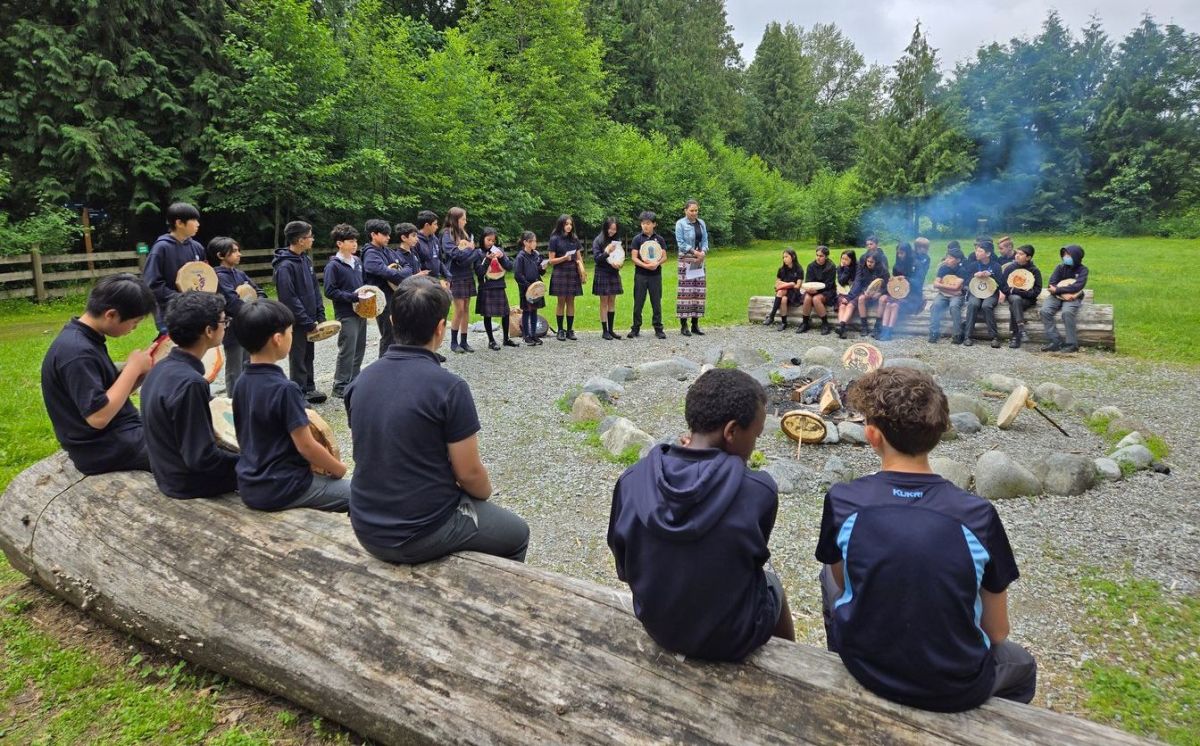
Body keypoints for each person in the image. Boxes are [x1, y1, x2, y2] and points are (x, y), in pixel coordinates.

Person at [815, 367, 1037, 711]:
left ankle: (840, 650)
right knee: (1023, 666)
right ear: (939, 431)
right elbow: (996, 632)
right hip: (954, 686)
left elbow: (844, 582)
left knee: (828, 573)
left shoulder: (844, 500)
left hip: (865, 667)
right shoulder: (978, 517)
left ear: (872, 436)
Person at [608, 368, 795, 661]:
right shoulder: (760, 491)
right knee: (773, 583)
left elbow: (624, 570)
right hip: (732, 639)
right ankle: (790, 660)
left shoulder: (632, 479)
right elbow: (752, 564)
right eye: (756, 435)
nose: (755, 444)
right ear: (731, 431)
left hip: (658, 627)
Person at [347, 276, 530, 564]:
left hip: (366, 525)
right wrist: (484, 494)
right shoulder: (449, 388)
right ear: (441, 328)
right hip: (419, 531)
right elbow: (469, 474)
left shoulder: (360, 381)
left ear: (392, 321)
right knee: (517, 534)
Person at [231, 299, 350, 512]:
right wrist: (338, 468)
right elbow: (306, 446)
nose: (292, 336)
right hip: (284, 488)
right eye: (290, 332)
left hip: (250, 484)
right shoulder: (285, 389)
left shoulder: (241, 383)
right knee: (363, 494)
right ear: (277, 339)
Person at [41, 273, 156, 475]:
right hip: (104, 449)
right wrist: (132, 368)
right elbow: (98, 417)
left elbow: (108, 394)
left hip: (118, 436)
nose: (134, 328)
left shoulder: (86, 337)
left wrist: (142, 374)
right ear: (111, 315)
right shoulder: (77, 353)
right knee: (195, 454)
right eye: (134, 322)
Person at [140, 291, 239, 498]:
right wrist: (252, 461)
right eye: (224, 321)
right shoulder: (191, 383)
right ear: (209, 331)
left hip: (167, 474)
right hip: (187, 483)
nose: (226, 326)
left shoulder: (161, 367)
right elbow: (202, 458)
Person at [272, 220, 327, 402]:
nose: (313, 239)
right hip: (296, 321)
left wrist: (320, 313)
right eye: (310, 236)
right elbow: (289, 298)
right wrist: (305, 320)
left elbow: (314, 288)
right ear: (300, 240)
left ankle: (309, 388)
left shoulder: (305, 259)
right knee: (298, 356)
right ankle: (298, 393)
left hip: (309, 319)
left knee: (309, 355)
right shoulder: (285, 266)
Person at [208, 236, 265, 394]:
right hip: (232, 328)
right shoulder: (218, 276)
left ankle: (247, 396)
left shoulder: (240, 274)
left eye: (238, 250)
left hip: (247, 324)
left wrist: (257, 303)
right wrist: (254, 309)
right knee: (235, 368)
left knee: (249, 363)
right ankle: (234, 401)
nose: (239, 254)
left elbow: (260, 292)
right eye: (234, 251)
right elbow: (232, 302)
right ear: (220, 255)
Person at [143, 202, 205, 332]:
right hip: (169, 313)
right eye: (193, 220)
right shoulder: (161, 248)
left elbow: (205, 277)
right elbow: (153, 284)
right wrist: (182, 298)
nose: (198, 224)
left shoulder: (197, 247)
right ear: (179, 223)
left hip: (194, 310)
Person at [323, 223, 368, 398]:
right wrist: (353, 297)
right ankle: (340, 385)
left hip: (362, 311)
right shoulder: (333, 266)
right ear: (339, 243)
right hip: (346, 313)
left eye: (355, 240)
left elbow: (362, 283)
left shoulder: (357, 261)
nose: (355, 244)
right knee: (347, 349)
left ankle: (354, 380)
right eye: (350, 241)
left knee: (359, 348)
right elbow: (329, 291)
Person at [361, 219, 405, 357]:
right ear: (373, 235)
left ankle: (396, 362)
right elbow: (384, 272)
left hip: (393, 297)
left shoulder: (387, 250)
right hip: (382, 300)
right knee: (389, 335)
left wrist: (399, 273)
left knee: (398, 332)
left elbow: (406, 265)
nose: (388, 237)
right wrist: (401, 275)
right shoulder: (370, 254)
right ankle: (384, 364)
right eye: (385, 234)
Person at [442, 206, 482, 353]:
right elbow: (455, 255)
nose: (466, 221)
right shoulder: (447, 234)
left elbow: (465, 257)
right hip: (455, 275)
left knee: (466, 308)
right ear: (455, 219)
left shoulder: (464, 234)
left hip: (467, 273)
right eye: (463, 219)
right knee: (458, 309)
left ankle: (464, 341)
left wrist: (469, 252)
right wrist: (471, 250)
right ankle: (453, 343)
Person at [1040, 244, 1089, 353]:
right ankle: (1055, 341)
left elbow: (1077, 286)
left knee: (1067, 312)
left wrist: (1058, 290)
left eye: (1068, 255)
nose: (1065, 257)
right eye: (1064, 254)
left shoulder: (1083, 270)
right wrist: (1062, 293)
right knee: (1044, 311)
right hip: (1057, 296)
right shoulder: (1060, 267)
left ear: (1076, 256)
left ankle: (1072, 344)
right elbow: (1051, 284)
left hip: (1073, 297)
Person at [474, 227, 517, 350]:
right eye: (488, 240)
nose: (491, 242)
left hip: (499, 285)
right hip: (486, 286)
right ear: (483, 239)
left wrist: (502, 257)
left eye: (493, 240)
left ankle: (506, 339)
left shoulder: (498, 250)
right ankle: (491, 341)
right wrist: (488, 259)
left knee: (506, 313)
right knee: (488, 314)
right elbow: (479, 272)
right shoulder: (478, 253)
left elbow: (509, 267)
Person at [629, 211, 668, 339]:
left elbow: (664, 257)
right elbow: (634, 257)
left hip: (655, 275)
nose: (645, 226)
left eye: (648, 223)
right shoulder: (637, 239)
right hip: (641, 275)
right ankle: (635, 328)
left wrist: (657, 263)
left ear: (654, 224)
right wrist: (645, 266)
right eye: (643, 223)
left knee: (656, 302)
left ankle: (658, 329)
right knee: (638, 302)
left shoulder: (660, 239)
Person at [548, 214, 586, 341]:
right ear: (561, 225)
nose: (569, 226)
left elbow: (579, 257)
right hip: (560, 272)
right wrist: (564, 258)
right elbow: (551, 260)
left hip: (573, 272)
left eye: (570, 224)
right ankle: (560, 330)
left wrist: (582, 271)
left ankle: (570, 330)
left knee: (571, 301)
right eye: (566, 224)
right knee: (561, 301)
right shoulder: (554, 239)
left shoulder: (574, 239)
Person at [674, 200, 709, 336]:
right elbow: (681, 243)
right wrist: (695, 252)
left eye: (696, 210)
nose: (694, 213)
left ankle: (695, 324)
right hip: (686, 259)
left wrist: (703, 252)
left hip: (699, 259)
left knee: (698, 292)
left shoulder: (701, 223)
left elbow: (705, 240)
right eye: (691, 210)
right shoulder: (680, 224)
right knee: (686, 292)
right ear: (685, 210)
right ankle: (684, 325)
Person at [962, 238, 1003, 348]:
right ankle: (967, 336)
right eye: (976, 250)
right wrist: (974, 275)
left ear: (988, 253)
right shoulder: (973, 265)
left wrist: (991, 275)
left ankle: (994, 337)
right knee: (973, 304)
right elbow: (966, 282)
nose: (976, 253)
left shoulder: (996, 266)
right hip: (975, 293)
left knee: (986, 306)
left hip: (991, 293)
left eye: (980, 251)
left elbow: (1001, 283)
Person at [999, 245, 1042, 349]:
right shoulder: (1010, 268)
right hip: (1012, 296)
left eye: (1021, 254)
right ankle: (1021, 329)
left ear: (1028, 257)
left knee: (1014, 305)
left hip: (1028, 299)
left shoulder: (1034, 270)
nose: (1017, 256)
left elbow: (1036, 291)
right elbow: (1003, 286)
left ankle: (1015, 336)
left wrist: (1017, 291)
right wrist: (1013, 291)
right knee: (1016, 299)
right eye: (1017, 253)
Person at [927, 243, 970, 344]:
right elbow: (935, 284)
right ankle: (934, 332)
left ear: (958, 260)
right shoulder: (943, 269)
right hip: (944, 295)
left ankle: (957, 334)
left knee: (954, 307)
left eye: (950, 258)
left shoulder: (962, 270)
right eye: (947, 257)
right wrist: (951, 291)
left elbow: (956, 287)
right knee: (935, 305)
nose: (947, 260)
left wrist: (942, 287)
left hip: (957, 296)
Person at [592, 217, 625, 340]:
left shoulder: (617, 241)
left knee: (612, 301)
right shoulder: (598, 240)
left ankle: (611, 330)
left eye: (614, 229)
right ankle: (604, 331)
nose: (612, 231)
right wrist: (607, 252)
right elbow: (597, 259)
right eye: (610, 229)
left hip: (613, 273)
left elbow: (619, 256)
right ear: (606, 227)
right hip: (602, 272)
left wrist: (620, 264)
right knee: (604, 302)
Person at [514, 231, 546, 346]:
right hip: (526, 288)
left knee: (534, 311)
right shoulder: (520, 257)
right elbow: (518, 274)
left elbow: (540, 271)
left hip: (536, 288)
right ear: (525, 242)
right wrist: (528, 286)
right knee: (527, 311)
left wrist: (543, 268)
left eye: (535, 241)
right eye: (532, 241)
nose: (534, 243)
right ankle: (526, 335)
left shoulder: (536, 255)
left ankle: (533, 334)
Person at [798, 245, 838, 335]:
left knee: (816, 299)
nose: (818, 258)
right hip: (813, 289)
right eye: (817, 255)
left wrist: (817, 291)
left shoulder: (831, 266)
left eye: (821, 256)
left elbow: (829, 284)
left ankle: (825, 324)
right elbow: (808, 281)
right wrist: (809, 289)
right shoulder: (811, 266)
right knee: (807, 298)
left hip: (828, 290)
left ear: (826, 256)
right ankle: (805, 323)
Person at [849, 251, 888, 337]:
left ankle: (877, 327)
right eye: (868, 261)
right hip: (868, 293)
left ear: (876, 262)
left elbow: (887, 286)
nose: (869, 264)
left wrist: (880, 293)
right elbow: (861, 283)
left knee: (883, 300)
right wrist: (865, 292)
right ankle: (864, 326)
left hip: (880, 293)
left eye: (872, 262)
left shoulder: (883, 270)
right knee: (861, 299)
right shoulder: (864, 269)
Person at [763, 249, 802, 330]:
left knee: (781, 291)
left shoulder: (799, 269)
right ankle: (784, 322)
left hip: (794, 294)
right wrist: (789, 284)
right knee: (783, 299)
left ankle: (771, 316)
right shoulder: (781, 269)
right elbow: (776, 284)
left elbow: (797, 286)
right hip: (782, 293)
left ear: (793, 257)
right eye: (783, 257)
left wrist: (785, 285)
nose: (784, 259)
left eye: (786, 257)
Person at [414, 210, 450, 288]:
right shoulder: (416, 241)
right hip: (423, 283)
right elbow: (415, 265)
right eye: (435, 224)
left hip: (436, 280)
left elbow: (439, 260)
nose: (437, 227)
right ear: (427, 225)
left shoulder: (435, 239)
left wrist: (448, 276)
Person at [833, 250, 859, 339]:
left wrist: (849, 297)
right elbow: (841, 282)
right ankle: (842, 328)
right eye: (842, 258)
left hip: (855, 292)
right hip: (844, 291)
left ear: (852, 259)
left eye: (846, 259)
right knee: (842, 305)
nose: (843, 261)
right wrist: (845, 269)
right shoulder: (840, 267)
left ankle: (842, 327)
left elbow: (857, 284)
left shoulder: (858, 268)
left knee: (850, 305)